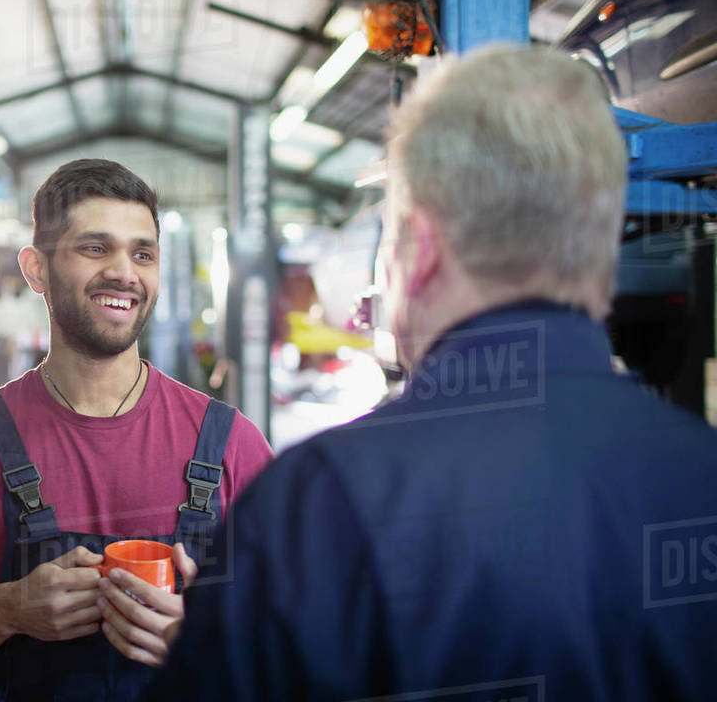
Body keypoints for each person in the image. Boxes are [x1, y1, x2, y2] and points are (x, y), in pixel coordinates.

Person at [146, 45, 717, 699]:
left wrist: (221, 636)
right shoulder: (702, 473)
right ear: (600, 249)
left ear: (419, 251)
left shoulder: (319, 506)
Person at [0, 158, 273, 701]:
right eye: (95, 248)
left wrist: (208, 638)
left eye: (143, 253)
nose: (125, 273)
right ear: (36, 269)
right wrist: (5, 609)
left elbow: (308, 628)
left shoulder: (232, 444)